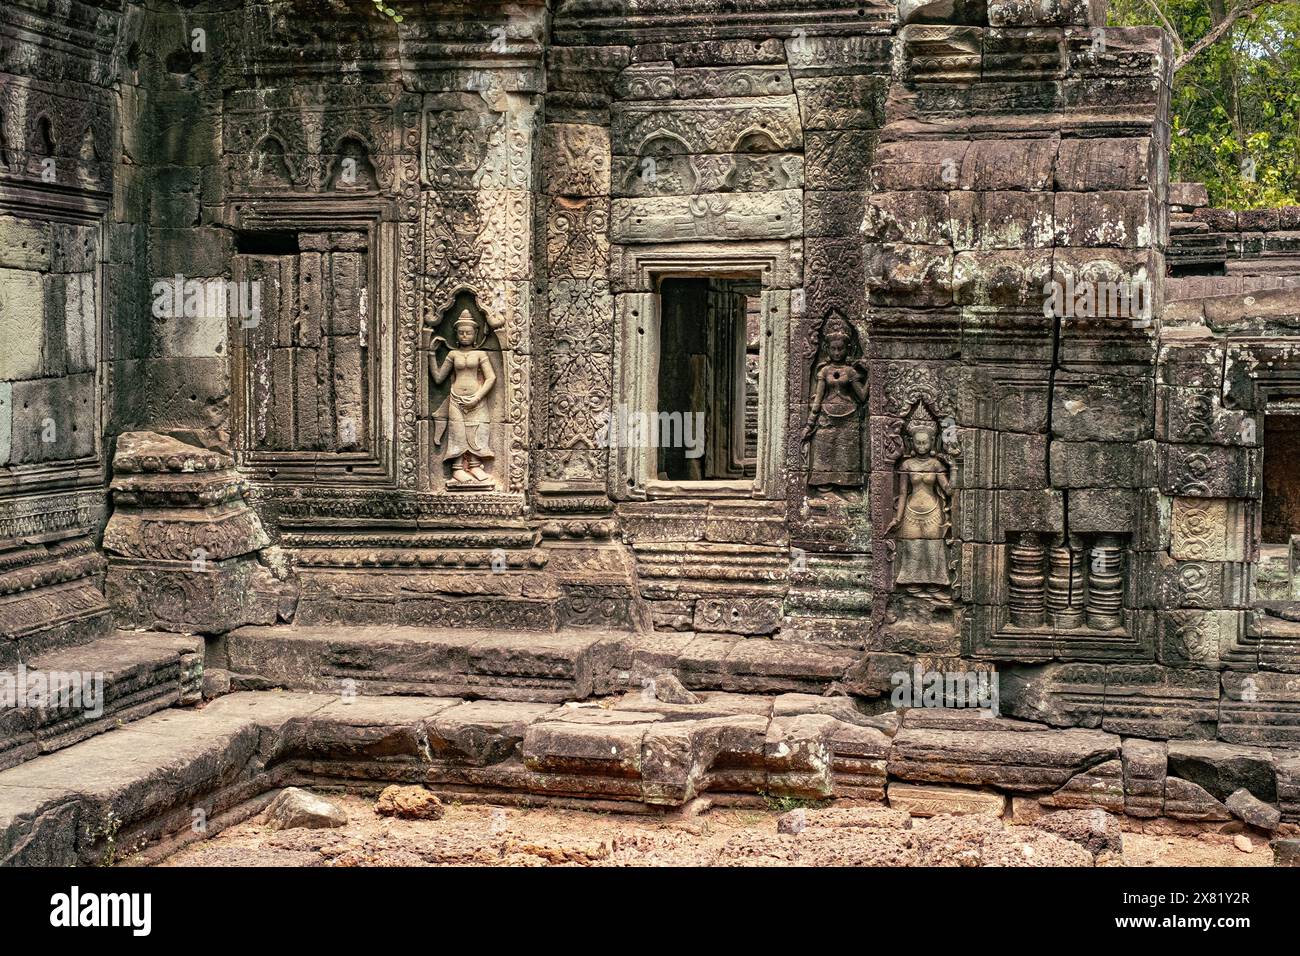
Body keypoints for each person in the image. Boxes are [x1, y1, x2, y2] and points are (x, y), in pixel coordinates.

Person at [885, 421, 952, 597]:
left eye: (925, 442)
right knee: (912, 547)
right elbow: (902, 493)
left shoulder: (936, 464)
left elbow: (948, 489)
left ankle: (935, 582)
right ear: (911, 443)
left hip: (934, 511)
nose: (921, 446)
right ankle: (911, 581)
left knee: (933, 549)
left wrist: (954, 466)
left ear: (932, 442)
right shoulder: (907, 465)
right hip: (910, 511)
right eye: (918, 442)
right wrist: (897, 518)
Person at [430, 309, 496, 484]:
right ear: (456, 335)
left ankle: (474, 465)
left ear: (475, 334)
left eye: (468, 332)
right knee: (457, 433)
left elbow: (491, 378)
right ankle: (457, 469)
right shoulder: (453, 354)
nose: (464, 335)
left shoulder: (480, 354)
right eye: (461, 332)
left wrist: (477, 397)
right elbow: (438, 378)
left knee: (478, 431)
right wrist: (430, 354)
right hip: (456, 399)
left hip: (477, 400)